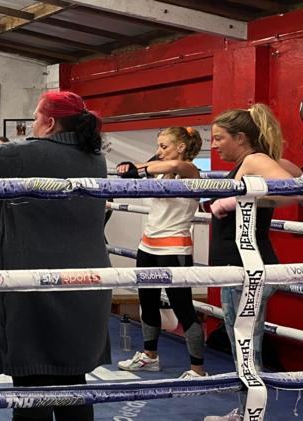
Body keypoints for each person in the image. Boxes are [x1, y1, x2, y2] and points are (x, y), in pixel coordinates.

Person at [0, 91, 110, 421]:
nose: (32, 124)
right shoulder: (95, 158)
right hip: (86, 283)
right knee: (74, 381)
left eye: (35, 118)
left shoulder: (31, 153)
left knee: (32, 385)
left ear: (49, 122)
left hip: (35, 284)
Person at [204, 104, 296, 421]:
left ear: (240, 137)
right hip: (243, 269)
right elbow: (295, 175)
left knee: (246, 352)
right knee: (243, 350)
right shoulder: (260, 159)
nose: (214, 145)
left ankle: (250, 416)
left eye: (219, 138)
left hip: (247, 270)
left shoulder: (255, 159)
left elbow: (293, 192)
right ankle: (246, 413)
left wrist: (236, 200)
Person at [115, 127, 207, 378]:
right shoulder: (161, 172)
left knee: (183, 307)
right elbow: (146, 166)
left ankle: (198, 370)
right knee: (147, 302)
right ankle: (149, 357)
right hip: (148, 246)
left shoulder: (190, 170)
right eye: (158, 146)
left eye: (164, 146)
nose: (159, 151)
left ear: (180, 147)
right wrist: (129, 166)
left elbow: (176, 166)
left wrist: (140, 168)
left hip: (174, 248)